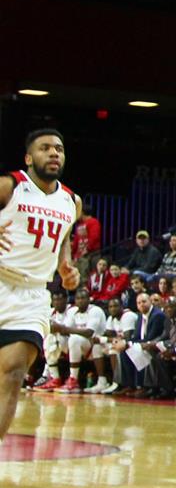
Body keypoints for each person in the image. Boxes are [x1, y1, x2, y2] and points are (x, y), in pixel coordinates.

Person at [0, 129, 81, 438]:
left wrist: (65, 265)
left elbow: (63, 239)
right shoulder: (10, 186)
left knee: (13, 373)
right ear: (28, 157)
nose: (53, 153)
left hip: (32, 293)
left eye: (58, 148)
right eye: (45, 148)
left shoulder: (71, 201)